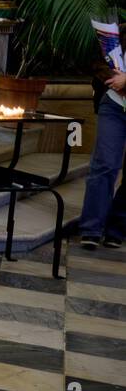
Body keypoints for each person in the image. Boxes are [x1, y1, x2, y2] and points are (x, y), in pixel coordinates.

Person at [80, 14, 126, 250]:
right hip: (115, 105)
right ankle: (91, 228)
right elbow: (98, 63)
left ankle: (117, 228)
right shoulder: (120, 32)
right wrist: (114, 79)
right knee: (105, 164)